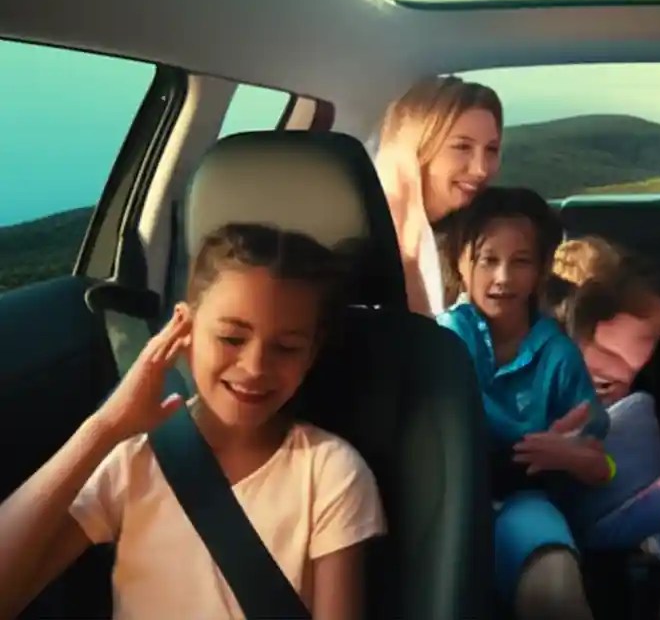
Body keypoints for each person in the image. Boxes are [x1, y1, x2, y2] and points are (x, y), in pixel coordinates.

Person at [0, 223, 387, 620]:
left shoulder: (329, 473)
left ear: (312, 352)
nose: (255, 367)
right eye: (232, 339)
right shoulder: (134, 459)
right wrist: (105, 427)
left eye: (286, 347)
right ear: (183, 328)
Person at [435, 188, 611, 620]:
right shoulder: (444, 339)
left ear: (540, 271)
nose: (503, 278)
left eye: (521, 262)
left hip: (523, 503)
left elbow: (601, 465)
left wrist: (567, 456)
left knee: (553, 580)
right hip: (447, 503)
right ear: (460, 261)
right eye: (487, 260)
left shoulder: (558, 355)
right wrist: (527, 442)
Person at [548, 236, 660, 572]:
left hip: (632, 509)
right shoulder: (541, 380)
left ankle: (657, 560)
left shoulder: (642, 393)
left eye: (640, 358)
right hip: (558, 518)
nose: (621, 375)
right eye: (605, 358)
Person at [373, 76, 504, 317]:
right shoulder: (376, 240)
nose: (481, 169)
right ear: (421, 145)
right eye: (462, 147)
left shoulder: (473, 232)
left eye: (491, 150)